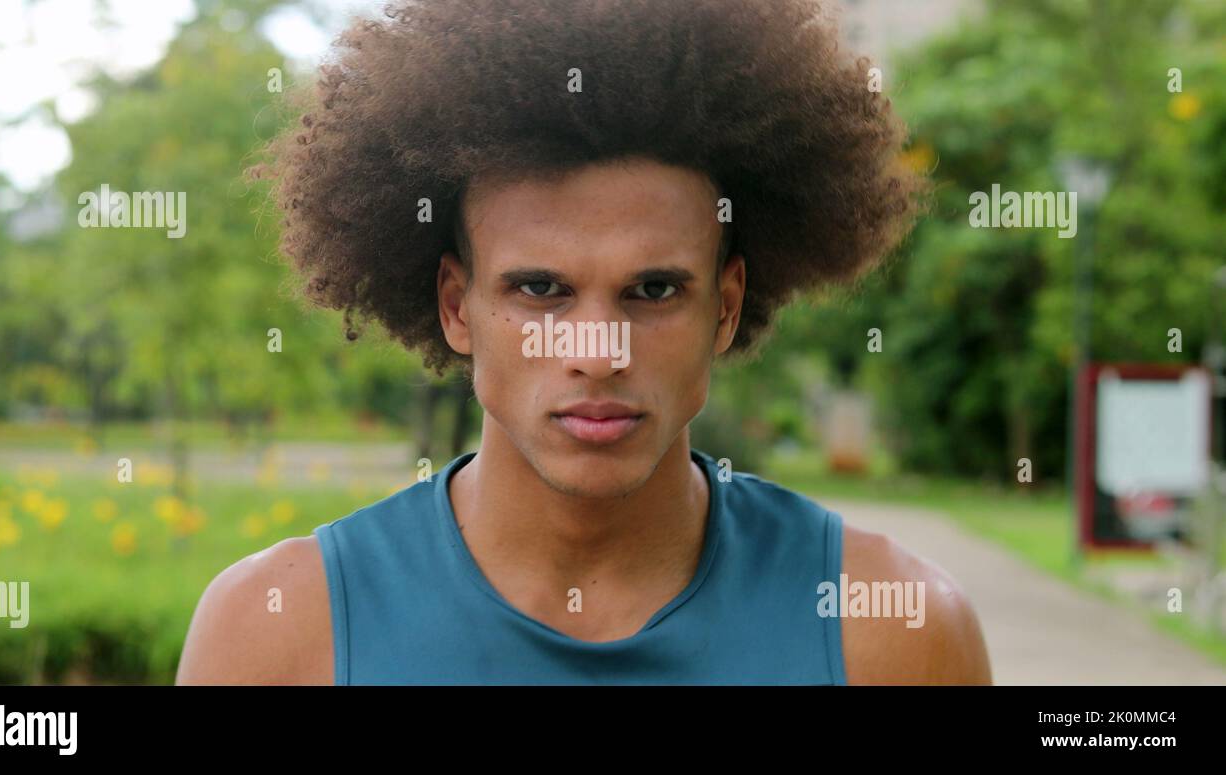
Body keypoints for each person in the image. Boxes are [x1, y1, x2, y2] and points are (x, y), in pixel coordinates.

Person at [176, 0, 992, 685]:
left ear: (727, 306)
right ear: (457, 307)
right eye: (540, 290)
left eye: (654, 291)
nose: (599, 350)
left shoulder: (891, 631)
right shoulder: (278, 635)